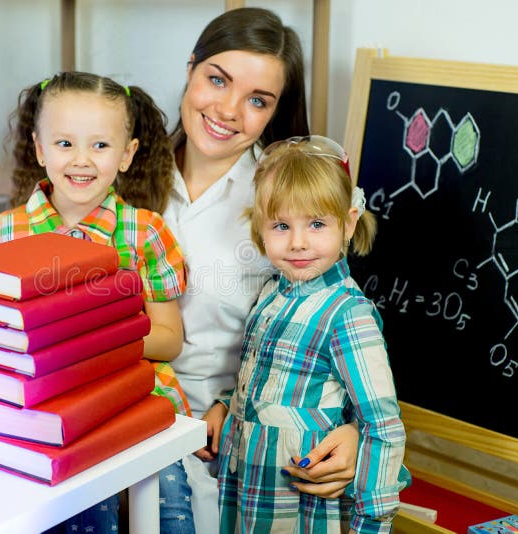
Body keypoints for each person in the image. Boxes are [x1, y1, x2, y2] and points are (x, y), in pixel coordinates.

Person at [0, 71, 194, 533]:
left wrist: (87, 352)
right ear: (39, 148)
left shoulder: (145, 231)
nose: (82, 160)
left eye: (100, 145)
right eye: (64, 144)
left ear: (127, 155)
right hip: (35, 414)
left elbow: (169, 339)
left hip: (137, 401)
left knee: (167, 503)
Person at [162, 7, 362, 531]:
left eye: (257, 100)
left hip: (221, 449)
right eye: (217, 80)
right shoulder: (122, 169)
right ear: (190, 69)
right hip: (108, 428)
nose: (228, 110)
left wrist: (353, 433)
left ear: (275, 113)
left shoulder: (281, 208)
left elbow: (338, 331)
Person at [205, 135, 408, 532]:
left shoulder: (347, 315)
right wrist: (226, 404)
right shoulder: (270, 294)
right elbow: (264, 383)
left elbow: (381, 425)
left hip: (300, 509)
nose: (298, 242)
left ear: (348, 222)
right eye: (281, 225)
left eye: (317, 224)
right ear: (261, 229)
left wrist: (371, 524)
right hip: (248, 496)